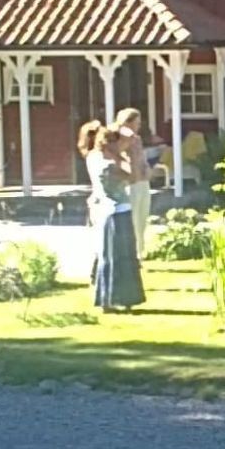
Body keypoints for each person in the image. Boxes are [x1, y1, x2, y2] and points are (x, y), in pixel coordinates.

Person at [82, 121, 145, 312]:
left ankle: (106, 299)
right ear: (111, 144)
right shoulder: (109, 166)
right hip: (118, 212)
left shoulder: (92, 158)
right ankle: (122, 298)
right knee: (123, 257)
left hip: (103, 212)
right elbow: (134, 177)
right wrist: (132, 155)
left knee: (106, 256)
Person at [112, 108, 152, 257]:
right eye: (136, 122)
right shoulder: (118, 138)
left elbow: (141, 157)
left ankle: (140, 253)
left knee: (142, 218)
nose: (138, 125)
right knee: (133, 218)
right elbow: (117, 156)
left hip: (142, 181)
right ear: (127, 122)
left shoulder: (137, 138)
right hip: (129, 182)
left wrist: (147, 168)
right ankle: (131, 253)